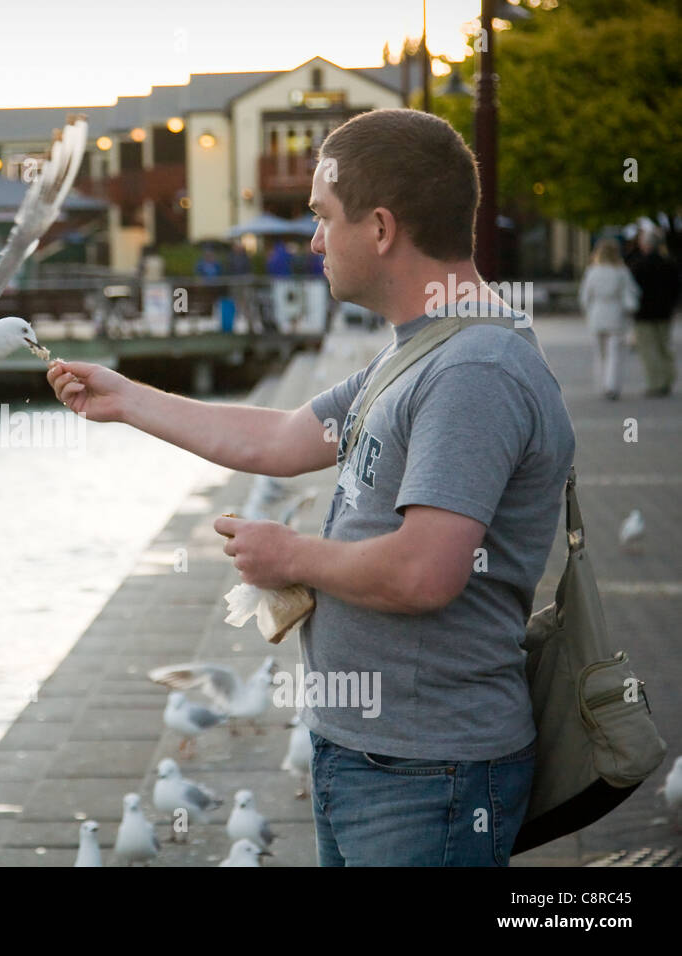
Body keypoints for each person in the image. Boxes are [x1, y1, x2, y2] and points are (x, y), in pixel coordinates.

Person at [48, 108, 574, 867]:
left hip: (428, 774)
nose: (314, 241)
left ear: (383, 229)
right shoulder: (423, 352)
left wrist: (291, 557)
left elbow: (427, 570)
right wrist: (126, 398)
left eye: (324, 218)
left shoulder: (472, 372)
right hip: (371, 757)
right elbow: (281, 439)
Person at [578, 237, 640, 400]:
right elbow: (632, 291)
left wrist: (588, 312)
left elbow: (584, 297)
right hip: (615, 314)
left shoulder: (592, 271)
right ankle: (611, 385)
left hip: (597, 314)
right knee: (615, 354)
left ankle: (601, 385)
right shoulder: (621, 271)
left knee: (600, 354)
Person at [627, 228, 680, 396]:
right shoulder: (669, 263)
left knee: (649, 350)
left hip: (644, 314)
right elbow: (676, 289)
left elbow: (632, 290)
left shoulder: (638, 265)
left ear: (646, 244)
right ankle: (668, 379)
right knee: (664, 346)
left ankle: (655, 383)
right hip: (664, 313)